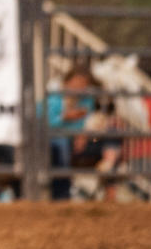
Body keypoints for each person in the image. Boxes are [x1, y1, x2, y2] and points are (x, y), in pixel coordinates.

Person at [47, 64, 121, 200]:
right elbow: (44, 124)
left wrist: (83, 134)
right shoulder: (54, 100)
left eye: (83, 84)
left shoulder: (88, 101)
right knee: (61, 144)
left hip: (84, 141)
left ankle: (108, 166)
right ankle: (62, 195)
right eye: (76, 83)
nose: (79, 87)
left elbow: (91, 122)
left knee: (113, 132)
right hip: (61, 141)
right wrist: (65, 117)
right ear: (66, 83)